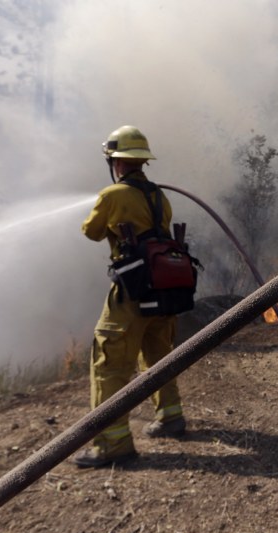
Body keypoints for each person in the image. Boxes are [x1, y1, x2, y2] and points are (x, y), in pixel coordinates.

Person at [73, 125, 187, 469]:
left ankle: (112, 444)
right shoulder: (160, 197)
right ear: (142, 162)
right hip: (164, 292)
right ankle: (171, 417)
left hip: (132, 294)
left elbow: (92, 233)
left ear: (116, 162)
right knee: (158, 356)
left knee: (109, 363)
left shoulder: (112, 195)